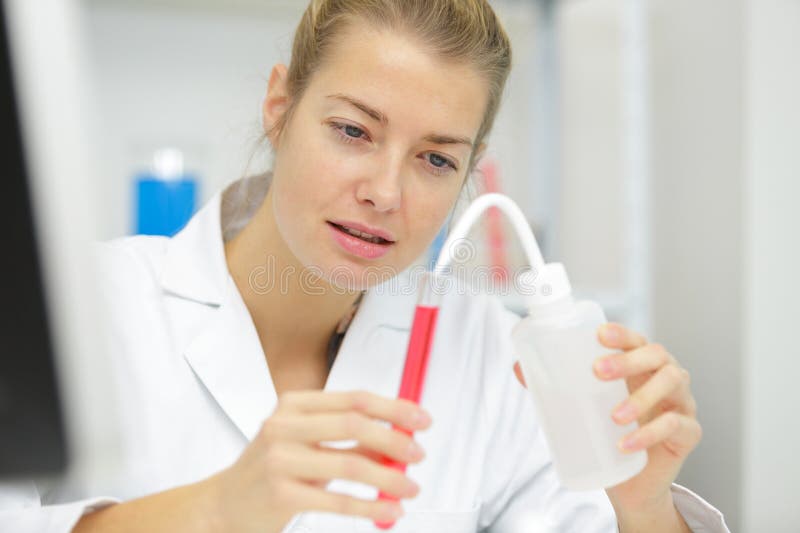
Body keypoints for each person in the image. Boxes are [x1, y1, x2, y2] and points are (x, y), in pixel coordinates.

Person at [0, 1, 729, 531]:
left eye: (436, 159)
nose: (385, 192)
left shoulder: (489, 353)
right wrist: (217, 509)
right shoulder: (82, 307)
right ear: (279, 106)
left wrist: (642, 508)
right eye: (353, 130)